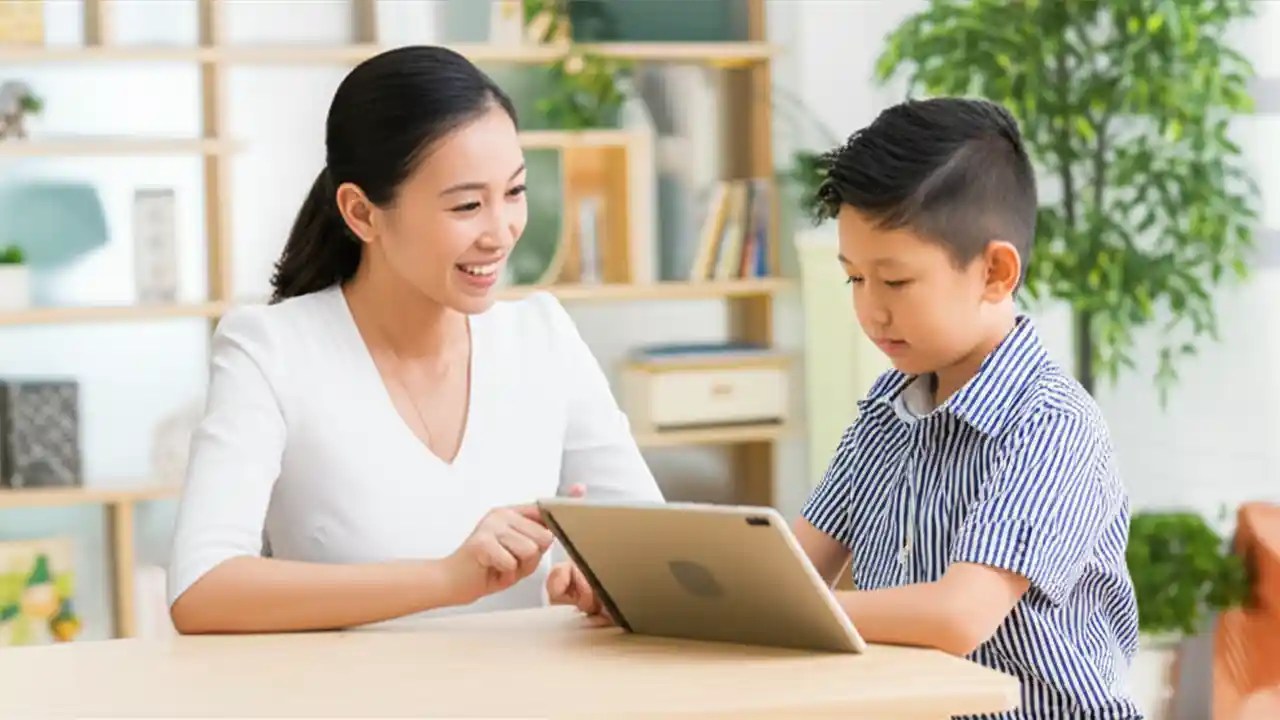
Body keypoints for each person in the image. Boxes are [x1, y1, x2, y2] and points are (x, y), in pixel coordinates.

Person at [166, 45, 663, 634]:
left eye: (515, 192)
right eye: (467, 205)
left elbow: (658, 556)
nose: (500, 232)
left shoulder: (543, 337)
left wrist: (607, 583)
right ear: (362, 213)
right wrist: (446, 579)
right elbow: (202, 589)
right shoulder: (270, 351)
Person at [791, 98, 1141, 719]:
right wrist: (653, 599)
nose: (870, 310)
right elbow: (795, 567)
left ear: (995, 273)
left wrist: (787, 612)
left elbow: (958, 615)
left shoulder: (1052, 424)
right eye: (855, 279)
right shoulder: (886, 412)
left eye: (895, 281)